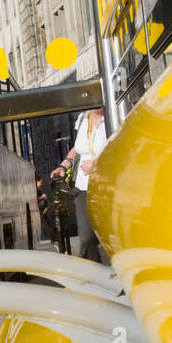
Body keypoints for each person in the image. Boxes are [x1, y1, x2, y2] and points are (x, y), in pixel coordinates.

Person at [51, 107, 108, 263]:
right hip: (83, 188)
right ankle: (94, 272)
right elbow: (78, 149)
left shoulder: (112, 114)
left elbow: (121, 147)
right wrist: (63, 166)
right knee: (87, 239)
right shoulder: (83, 118)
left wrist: (96, 164)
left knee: (111, 238)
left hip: (107, 186)